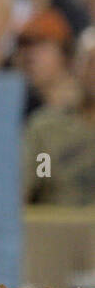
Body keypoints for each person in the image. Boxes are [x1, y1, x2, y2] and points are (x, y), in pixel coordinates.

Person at [23, 29, 95, 206]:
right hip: (61, 227)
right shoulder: (47, 130)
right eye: (90, 63)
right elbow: (36, 183)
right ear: (75, 67)